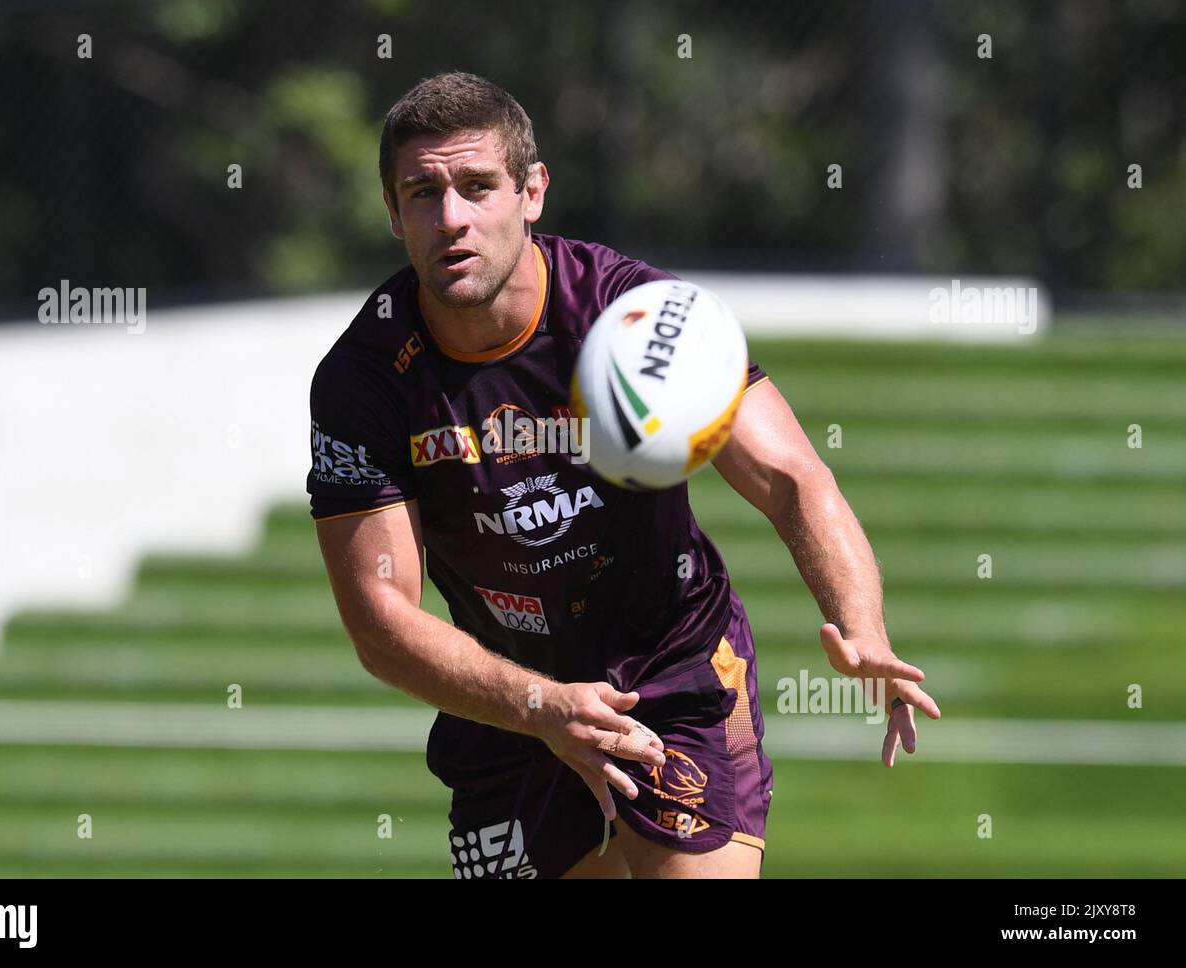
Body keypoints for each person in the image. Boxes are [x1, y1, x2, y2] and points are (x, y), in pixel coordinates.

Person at [308, 71, 940, 879]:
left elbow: (791, 477)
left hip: (671, 667)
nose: (452, 218)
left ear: (532, 192)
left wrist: (861, 626)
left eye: (477, 186)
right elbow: (380, 623)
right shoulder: (365, 380)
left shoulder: (639, 317)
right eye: (423, 194)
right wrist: (541, 706)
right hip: (508, 699)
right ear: (393, 214)